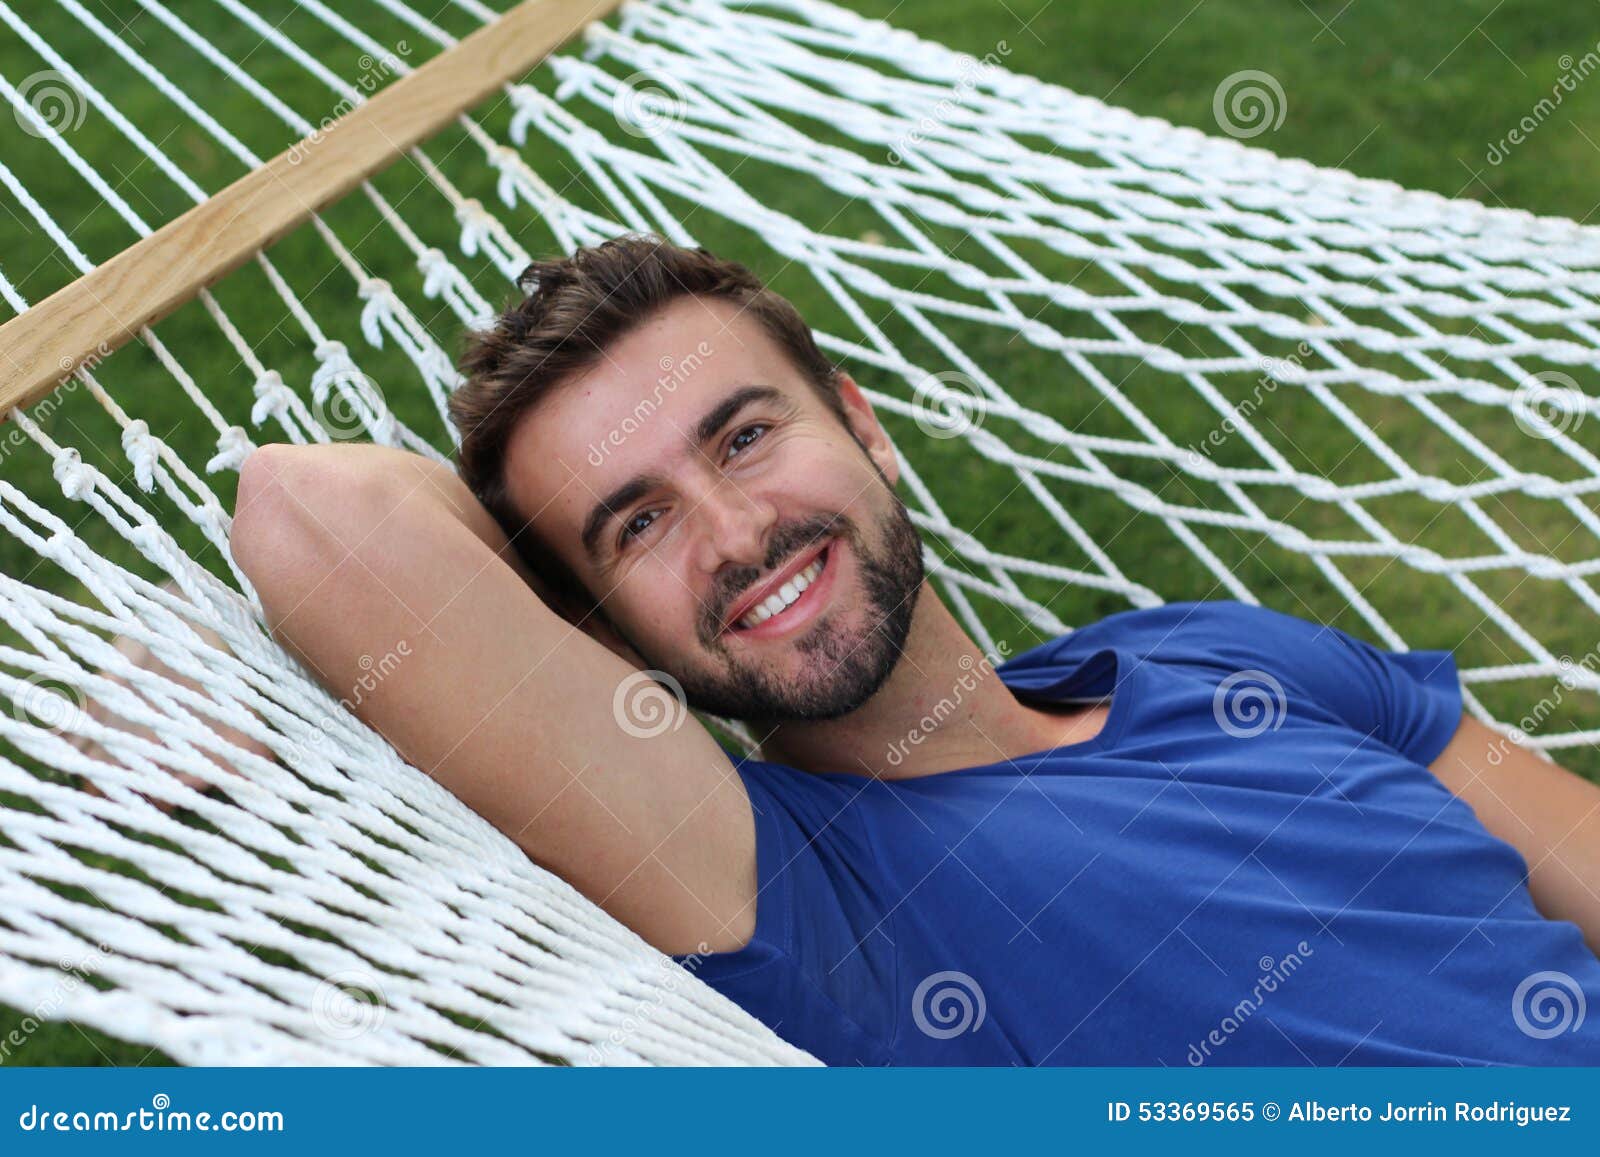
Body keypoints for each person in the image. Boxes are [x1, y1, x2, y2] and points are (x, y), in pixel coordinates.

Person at [228, 233, 1600, 1066]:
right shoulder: (794, 893)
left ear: (862, 424)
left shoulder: (1206, 653)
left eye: (746, 436)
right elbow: (308, 512)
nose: (736, 534)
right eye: (637, 524)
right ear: (599, 634)